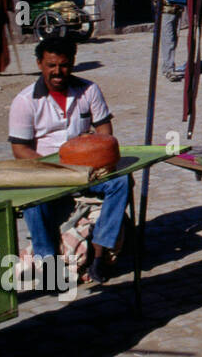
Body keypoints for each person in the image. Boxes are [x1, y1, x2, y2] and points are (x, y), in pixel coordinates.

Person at [9, 37, 132, 285]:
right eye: (51, 65)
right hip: (49, 172)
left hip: (87, 169)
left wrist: (96, 155)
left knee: (121, 182)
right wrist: (55, 168)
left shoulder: (89, 90)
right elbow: (20, 149)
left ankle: (100, 252)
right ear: (40, 64)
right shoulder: (25, 101)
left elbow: (104, 130)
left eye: (63, 65)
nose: (57, 72)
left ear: (72, 63)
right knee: (32, 199)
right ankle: (47, 261)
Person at [149, 0, 184, 82]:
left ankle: (168, 65)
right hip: (166, 10)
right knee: (168, 39)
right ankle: (169, 69)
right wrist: (170, 1)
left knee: (174, 39)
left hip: (177, 10)